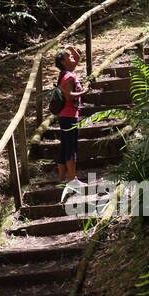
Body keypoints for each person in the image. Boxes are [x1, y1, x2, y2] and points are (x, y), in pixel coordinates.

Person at [54, 46, 85, 195]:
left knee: (65, 146)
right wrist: (85, 91)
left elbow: (78, 57)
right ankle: (73, 180)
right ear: (63, 61)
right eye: (69, 56)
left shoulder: (66, 72)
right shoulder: (68, 76)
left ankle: (61, 178)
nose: (73, 58)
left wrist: (71, 48)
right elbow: (68, 96)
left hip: (67, 115)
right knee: (70, 147)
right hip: (68, 116)